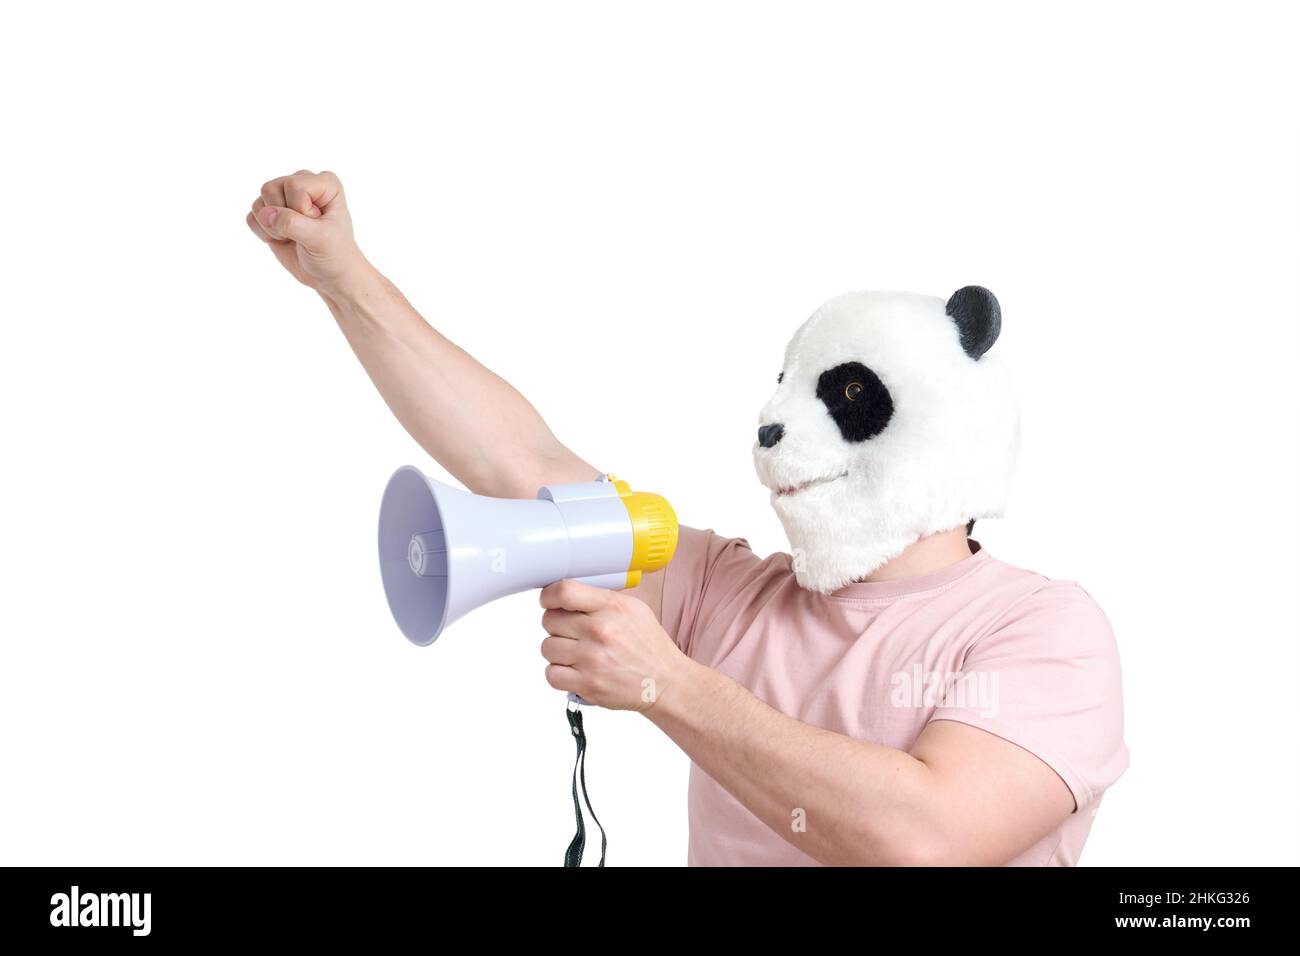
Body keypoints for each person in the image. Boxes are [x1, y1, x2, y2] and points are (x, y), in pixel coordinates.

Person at [246, 170, 1128, 866]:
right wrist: (345, 278)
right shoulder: (728, 593)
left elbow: (925, 839)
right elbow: (525, 465)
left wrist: (668, 683)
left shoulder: (1046, 630)